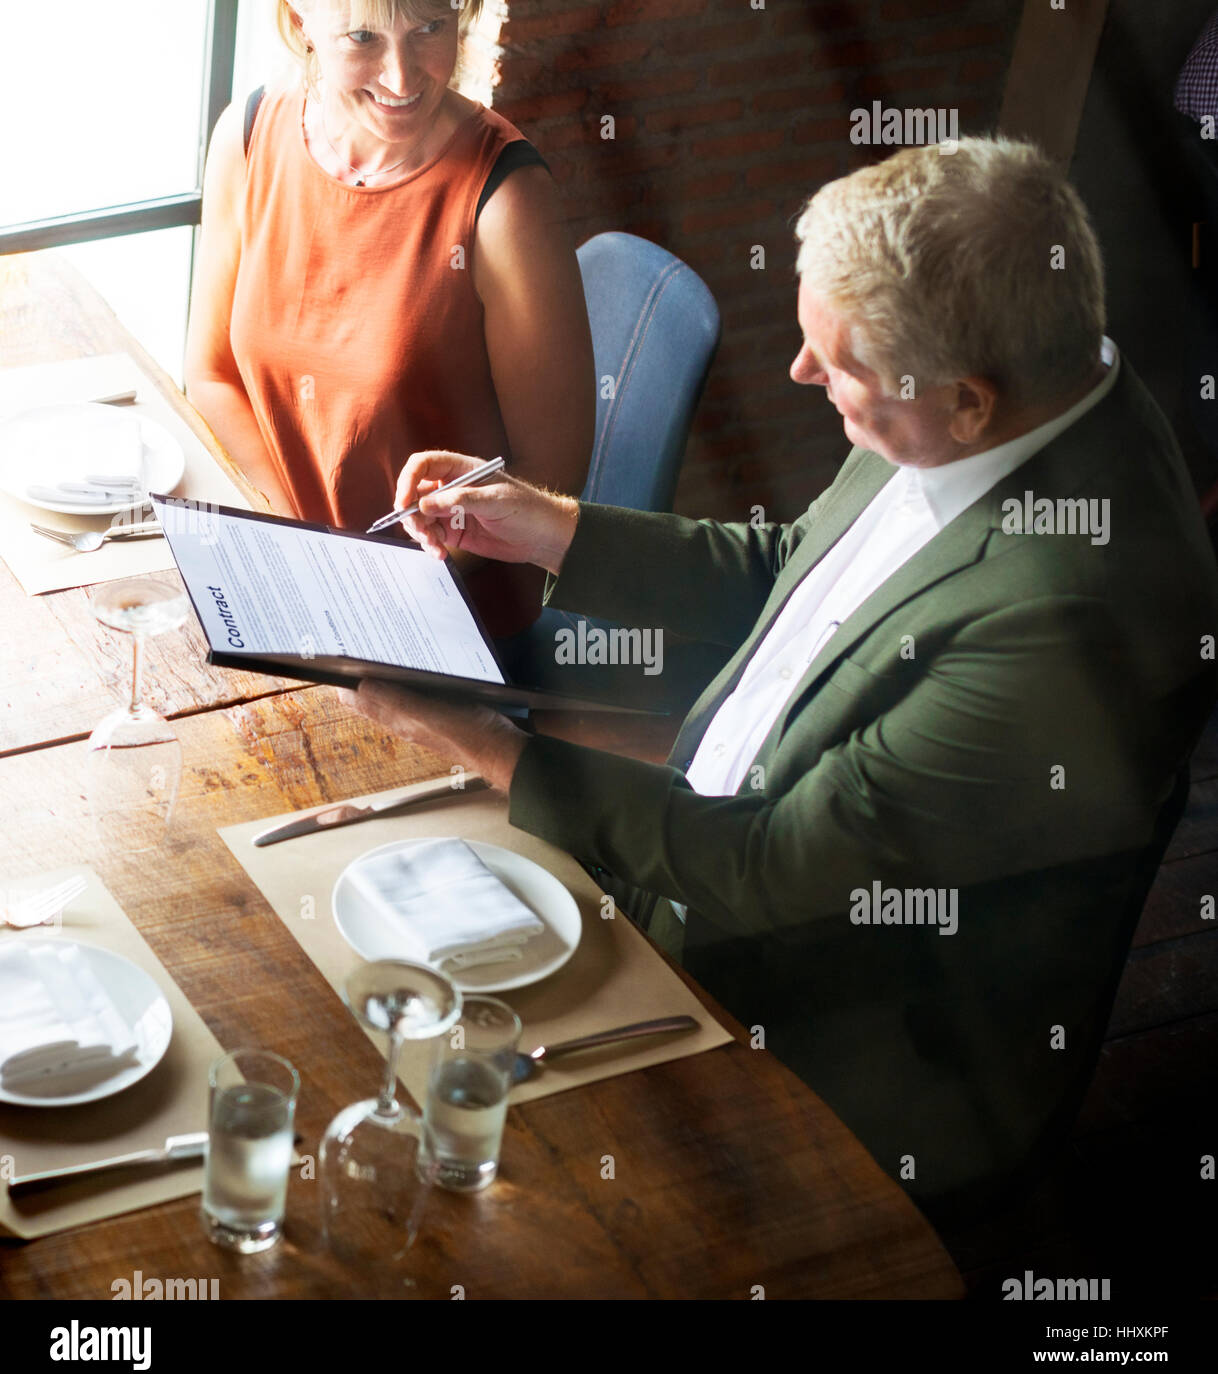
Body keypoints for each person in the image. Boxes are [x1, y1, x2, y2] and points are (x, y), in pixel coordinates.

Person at [338, 138, 1218, 1224]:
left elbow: (772, 867)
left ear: (971, 402)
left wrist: (477, 736)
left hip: (841, 1049)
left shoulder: (1072, 611)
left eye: (833, 363)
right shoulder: (982, 380)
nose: (803, 374)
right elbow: (788, 573)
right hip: (705, 860)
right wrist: (546, 525)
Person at [184, 0, 594, 637]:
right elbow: (210, 376)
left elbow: (548, 482)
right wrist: (300, 549)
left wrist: (363, 589)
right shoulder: (248, 132)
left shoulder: (507, 201)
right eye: (363, 37)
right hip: (288, 578)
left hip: (439, 617)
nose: (403, 79)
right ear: (300, 25)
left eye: (430, 27)